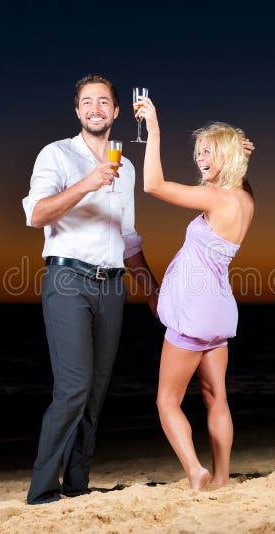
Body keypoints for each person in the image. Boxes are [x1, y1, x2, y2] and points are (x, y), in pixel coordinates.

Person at [22, 73, 159, 505]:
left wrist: (153, 293)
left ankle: (77, 485)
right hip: (67, 280)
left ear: (117, 112)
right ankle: (42, 491)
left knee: (96, 391)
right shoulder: (56, 155)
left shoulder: (128, 166)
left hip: (112, 285)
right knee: (74, 388)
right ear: (77, 111)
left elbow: (130, 236)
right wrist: (86, 183)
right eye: (87, 102)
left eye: (104, 102)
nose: (96, 108)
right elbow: (37, 215)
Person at [134, 95, 254, 490]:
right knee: (214, 395)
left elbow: (152, 185)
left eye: (210, 152)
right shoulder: (244, 199)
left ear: (227, 156)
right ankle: (221, 476)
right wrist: (239, 154)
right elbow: (241, 177)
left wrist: (153, 130)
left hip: (194, 312)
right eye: (199, 151)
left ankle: (195, 471)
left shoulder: (214, 198)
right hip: (219, 311)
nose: (201, 158)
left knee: (166, 401)